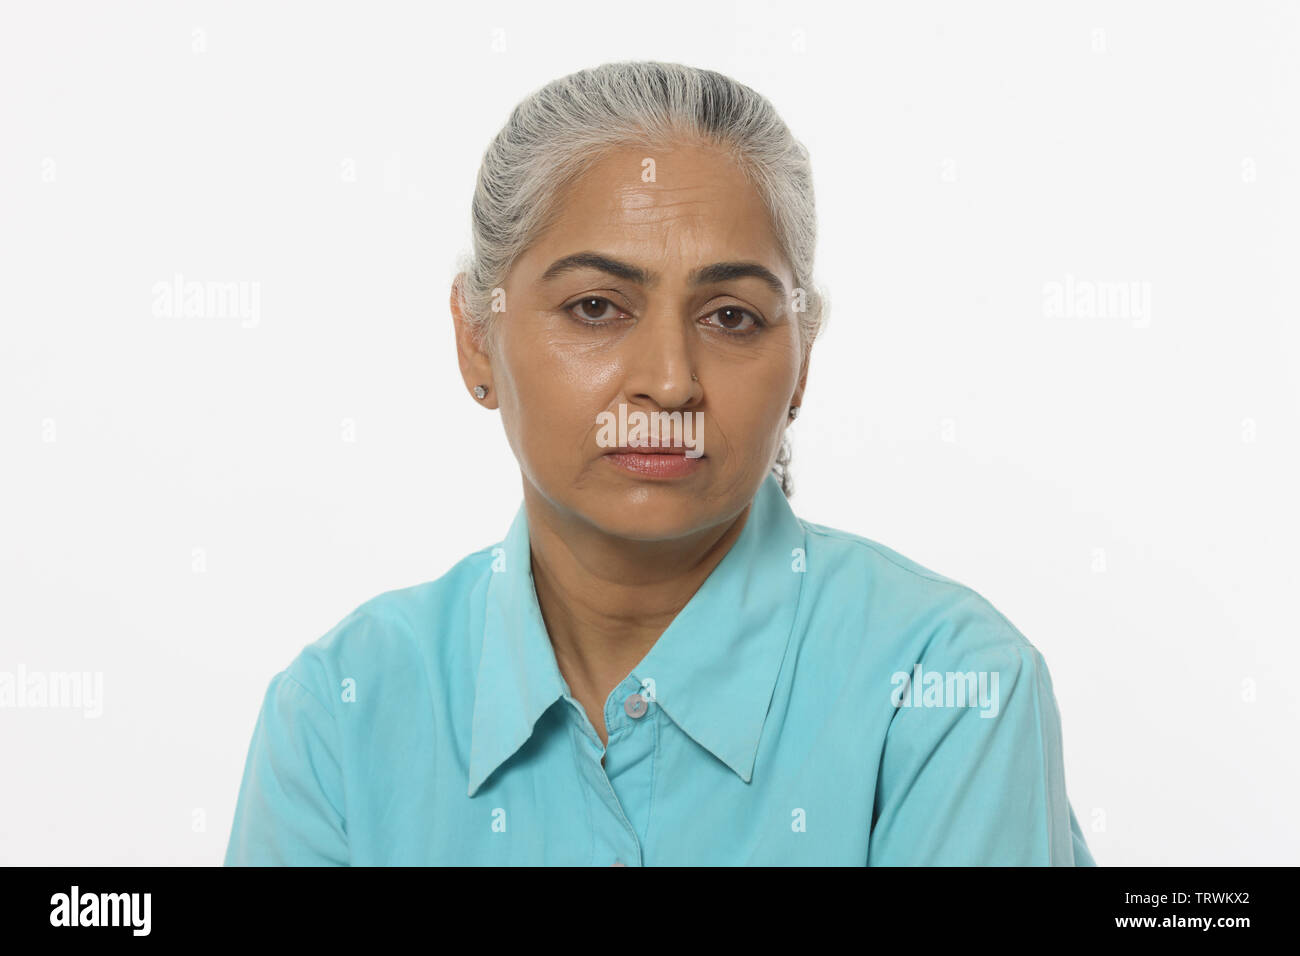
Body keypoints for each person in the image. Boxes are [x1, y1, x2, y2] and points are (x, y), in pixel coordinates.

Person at [224, 60, 1095, 866]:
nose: (671, 383)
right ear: (475, 339)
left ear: (805, 361)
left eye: (731, 317)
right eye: (597, 306)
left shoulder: (947, 688)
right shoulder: (339, 714)